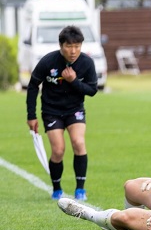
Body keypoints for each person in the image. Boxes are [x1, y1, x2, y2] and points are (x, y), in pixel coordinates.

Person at [26, 25, 98, 201]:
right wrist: (31, 115)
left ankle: (80, 189)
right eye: (69, 46)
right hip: (52, 111)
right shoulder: (48, 61)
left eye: (77, 46)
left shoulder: (87, 63)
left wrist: (73, 81)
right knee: (58, 150)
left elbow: (92, 90)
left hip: (75, 110)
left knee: (79, 142)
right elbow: (33, 86)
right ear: (61, 45)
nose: (73, 51)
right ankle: (56, 189)